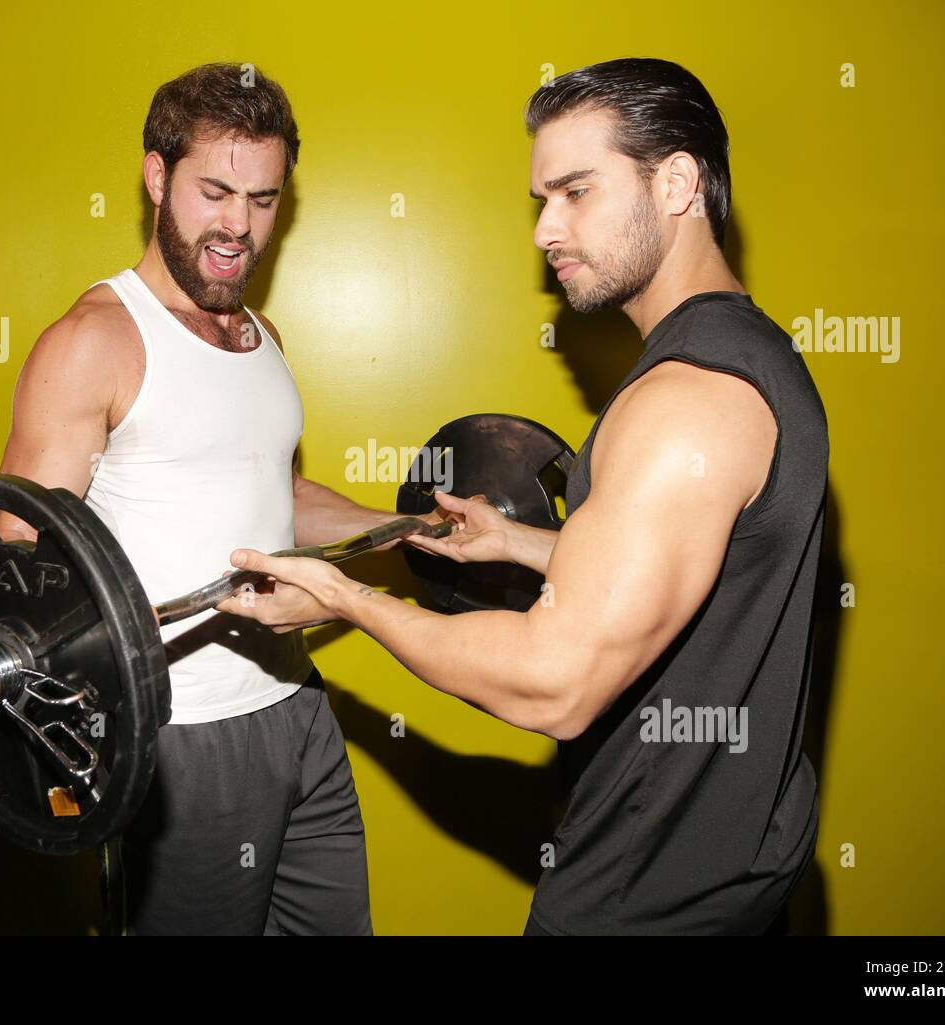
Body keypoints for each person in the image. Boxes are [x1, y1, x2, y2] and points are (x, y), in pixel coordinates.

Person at [218, 58, 829, 935]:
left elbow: (555, 684)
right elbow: (704, 569)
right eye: (541, 199)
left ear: (679, 182)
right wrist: (519, 544)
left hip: (646, 894)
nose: (546, 229)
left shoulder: (684, 401)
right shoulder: (754, 356)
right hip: (740, 866)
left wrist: (346, 598)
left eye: (575, 192)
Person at [0, 63, 426, 935]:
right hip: (180, 737)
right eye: (215, 191)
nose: (238, 226)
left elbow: (279, 494)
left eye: (264, 199)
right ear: (157, 175)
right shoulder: (96, 340)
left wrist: (409, 531)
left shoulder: (261, 336)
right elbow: (19, 550)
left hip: (298, 704)